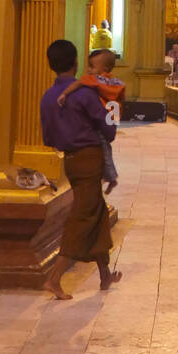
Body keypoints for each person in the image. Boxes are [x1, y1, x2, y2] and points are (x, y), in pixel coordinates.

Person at [40, 39, 118, 298]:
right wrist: (113, 109)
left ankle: (105, 275)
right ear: (75, 63)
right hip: (89, 158)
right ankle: (54, 278)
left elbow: (48, 138)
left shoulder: (49, 97)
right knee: (83, 217)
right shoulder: (84, 94)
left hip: (70, 161)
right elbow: (109, 129)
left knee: (97, 213)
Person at [57, 49, 124, 193]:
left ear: (104, 68)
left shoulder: (95, 80)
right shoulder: (115, 82)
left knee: (104, 146)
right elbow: (121, 96)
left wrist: (64, 94)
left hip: (105, 114)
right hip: (114, 112)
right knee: (107, 144)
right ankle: (110, 176)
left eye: (92, 66)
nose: (88, 70)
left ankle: (111, 176)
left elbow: (79, 83)